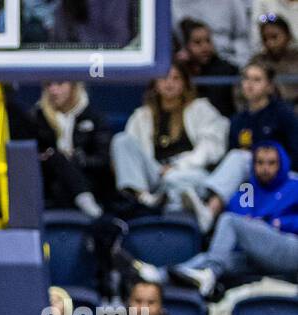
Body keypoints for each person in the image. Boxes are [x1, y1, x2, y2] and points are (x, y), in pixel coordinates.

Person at [165, 143, 298, 297]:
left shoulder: (294, 185)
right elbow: (239, 213)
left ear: (282, 164)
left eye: (271, 163)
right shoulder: (248, 188)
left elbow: (234, 221)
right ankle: (161, 276)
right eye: (260, 162)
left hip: (289, 246)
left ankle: (210, 274)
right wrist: (252, 225)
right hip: (255, 253)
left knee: (228, 221)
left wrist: (281, 223)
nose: (265, 168)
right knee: (214, 258)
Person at [181, 63, 298, 234]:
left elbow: (296, 150)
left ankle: (210, 209)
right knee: (191, 177)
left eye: (257, 80)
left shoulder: (283, 113)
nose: (249, 84)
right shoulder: (237, 120)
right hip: (249, 182)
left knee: (239, 157)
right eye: (246, 79)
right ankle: (238, 225)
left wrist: (277, 167)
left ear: (269, 86)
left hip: (282, 178)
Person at [110, 61, 228, 211]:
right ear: (155, 83)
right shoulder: (141, 116)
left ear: (185, 83)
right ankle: (142, 198)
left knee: (175, 179)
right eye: (164, 78)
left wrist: (177, 167)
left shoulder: (201, 109)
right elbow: (129, 157)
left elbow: (212, 148)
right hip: (155, 174)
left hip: (188, 171)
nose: (169, 83)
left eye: (176, 78)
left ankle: (173, 202)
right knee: (121, 140)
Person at [33, 81, 111, 216]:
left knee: (63, 178)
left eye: (60, 84)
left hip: (88, 177)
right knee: (56, 157)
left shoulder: (93, 116)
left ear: (74, 86)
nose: (53, 90)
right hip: (49, 180)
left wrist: (80, 160)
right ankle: (89, 205)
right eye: (48, 85)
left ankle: (86, 200)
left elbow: (103, 158)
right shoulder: (37, 117)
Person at [177, 18, 240, 118]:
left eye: (208, 41)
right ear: (186, 45)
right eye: (197, 42)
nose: (205, 47)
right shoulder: (181, 72)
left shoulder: (228, 70)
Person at [172, 0, 253, 68]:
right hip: (188, 65)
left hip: (229, 62)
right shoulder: (173, 4)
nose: (204, 46)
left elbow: (241, 38)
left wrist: (241, 65)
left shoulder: (232, 2)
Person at [256, 12, 298, 105]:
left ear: (288, 36)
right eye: (265, 39)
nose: (270, 43)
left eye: (274, 37)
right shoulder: (257, 62)